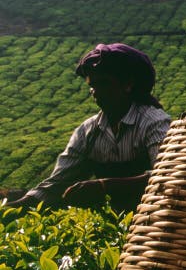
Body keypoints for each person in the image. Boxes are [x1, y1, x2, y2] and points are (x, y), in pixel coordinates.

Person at [3, 43, 171, 212]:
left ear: (127, 84)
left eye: (104, 83)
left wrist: (104, 187)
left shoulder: (153, 122)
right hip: (114, 222)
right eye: (92, 85)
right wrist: (13, 208)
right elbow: (56, 184)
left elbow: (165, 178)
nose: (96, 92)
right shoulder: (88, 132)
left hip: (156, 217)